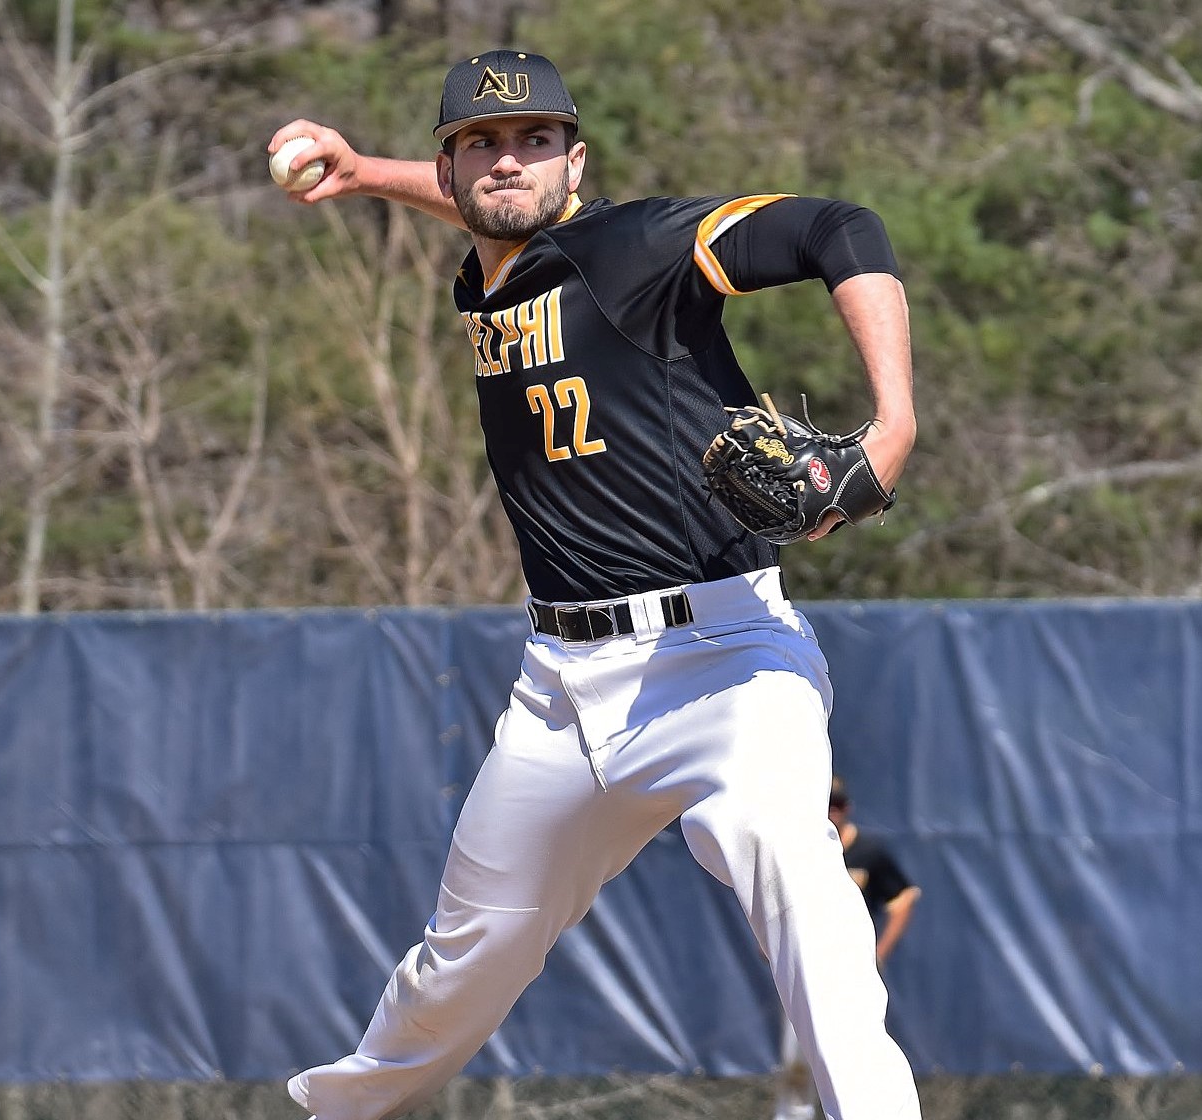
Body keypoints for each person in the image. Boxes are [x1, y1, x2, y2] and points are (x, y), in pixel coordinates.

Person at [267, 48, 919, 1120]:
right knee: (462, 961)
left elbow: (838, 226)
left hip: (721, 665)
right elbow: (484, 211)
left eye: (535, 139)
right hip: (561, 689)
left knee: (804, 893)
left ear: (578, 160)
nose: (507, 159)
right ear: (449, 163)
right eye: (480, 140)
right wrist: (359, 170)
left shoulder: (635, 247)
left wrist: (891, 427)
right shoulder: (493, 265)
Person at [774, 777, 922, 1120]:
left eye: (837, 803)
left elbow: (903, 901)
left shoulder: (867, 851)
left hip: (852, 970)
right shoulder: (803, 850)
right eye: (825, 802)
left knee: (854, 1057)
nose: (831, 810)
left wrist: (879, 952)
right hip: (807, 965)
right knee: (797, 1063)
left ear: (847, 808)